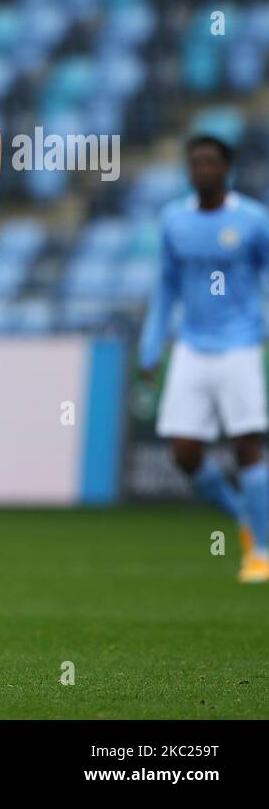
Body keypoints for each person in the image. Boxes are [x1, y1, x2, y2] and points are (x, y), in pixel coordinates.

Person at [139, 134, 269, 583]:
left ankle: (263, 553)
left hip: (240, 343)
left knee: (247, 444)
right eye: (196, 163)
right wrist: (151, 345)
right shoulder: (175, 220)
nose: (203, 170)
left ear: (227, 169)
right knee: (184, 453)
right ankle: (246, 519)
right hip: (192, 344)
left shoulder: (253, 220)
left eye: (211, 162)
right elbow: (167, 286)